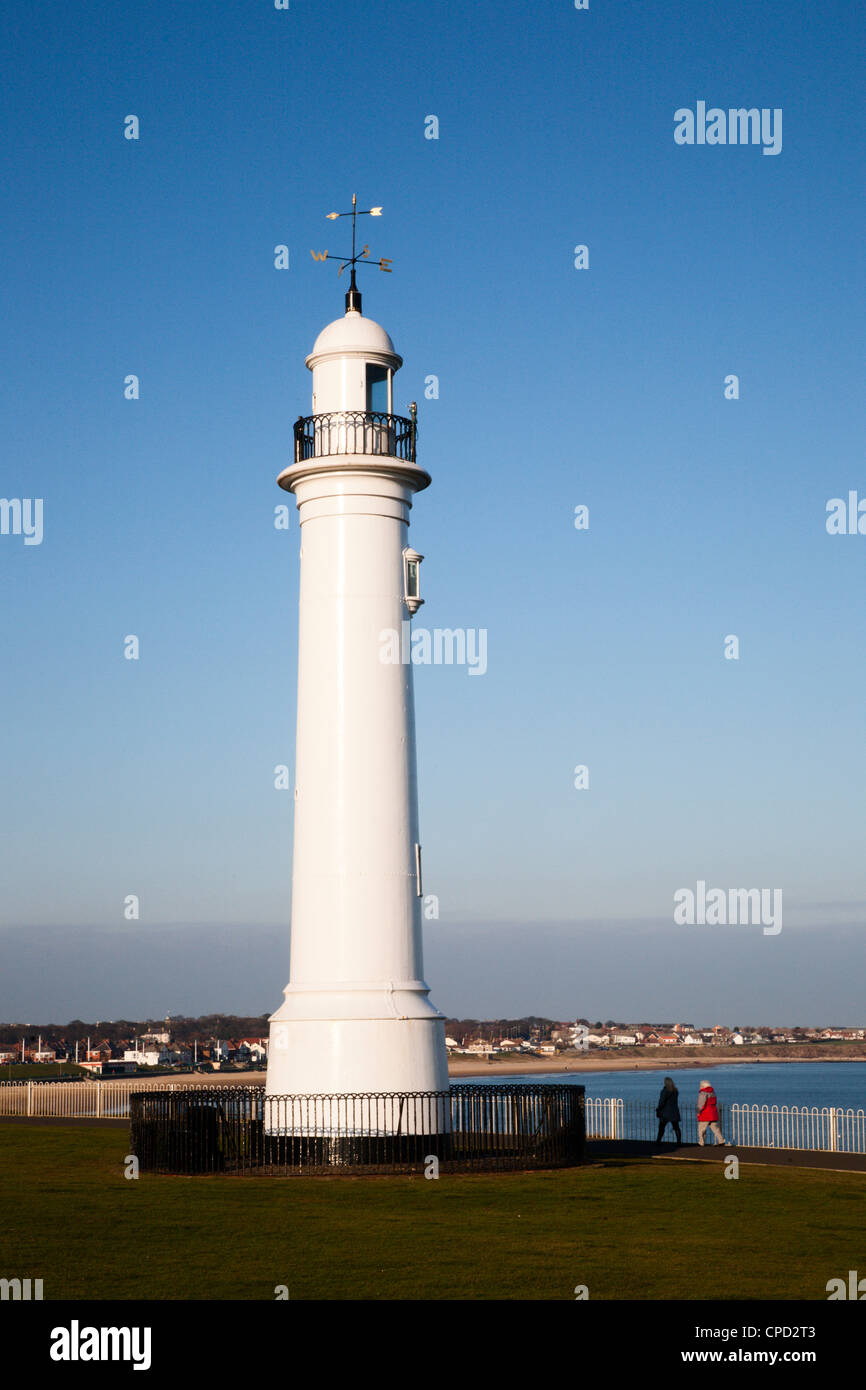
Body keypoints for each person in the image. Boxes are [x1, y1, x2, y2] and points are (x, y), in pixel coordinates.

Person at [697, 1079, 727, 1145]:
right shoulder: (713, 1092)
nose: (700, 1086)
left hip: (705, 1113)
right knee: (715, 1128)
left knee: (701, 1129)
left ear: (703, 1086)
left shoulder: (703, 1093)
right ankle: (721, 1140)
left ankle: (701, 1142)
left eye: (700, 1085)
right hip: (713, 1112)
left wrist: (698, 1111)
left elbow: (701, 1103)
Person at [655, 1076, 681, 1143]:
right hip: (674, 1111)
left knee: (661, 1127)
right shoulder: (675, 1091)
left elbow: (661, 1102)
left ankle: (658, 1141)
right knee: (676, 1127)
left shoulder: (665, 1091)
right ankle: (679, 1142)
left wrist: (658, 1109)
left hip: (665, 1112)